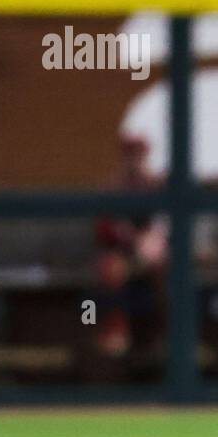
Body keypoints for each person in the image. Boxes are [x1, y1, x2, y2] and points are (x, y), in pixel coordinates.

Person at [93, 134, 167, 358]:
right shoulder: (113, 188)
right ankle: (116, 333)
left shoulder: (156, 186)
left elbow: (165, 223)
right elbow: (104, 229)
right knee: (111, 270)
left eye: (139, 154)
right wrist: (128, 237)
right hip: (119, 253)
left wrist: (151, 240)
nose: (135, 160)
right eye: (130, 154)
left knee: (166, 269)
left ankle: (163, 338)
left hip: (152, 254)